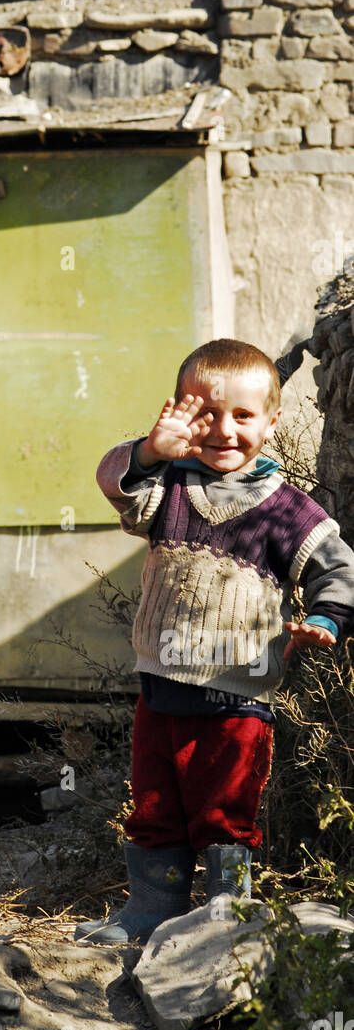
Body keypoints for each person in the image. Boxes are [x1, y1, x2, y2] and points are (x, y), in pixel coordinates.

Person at [76, 339, 354, 945]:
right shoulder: (168, 487)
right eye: (207, 415)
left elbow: (339, 571)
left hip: (237, 702)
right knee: (154, 806)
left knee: (225, 813)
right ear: (179, 414)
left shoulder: (287, 512)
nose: (224, 431)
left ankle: (224, 921)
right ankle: (151, 910)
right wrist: (149, 451)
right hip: (160, 688)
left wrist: (328, 622)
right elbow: (113, 482)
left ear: (273, 422)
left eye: (243, 416)